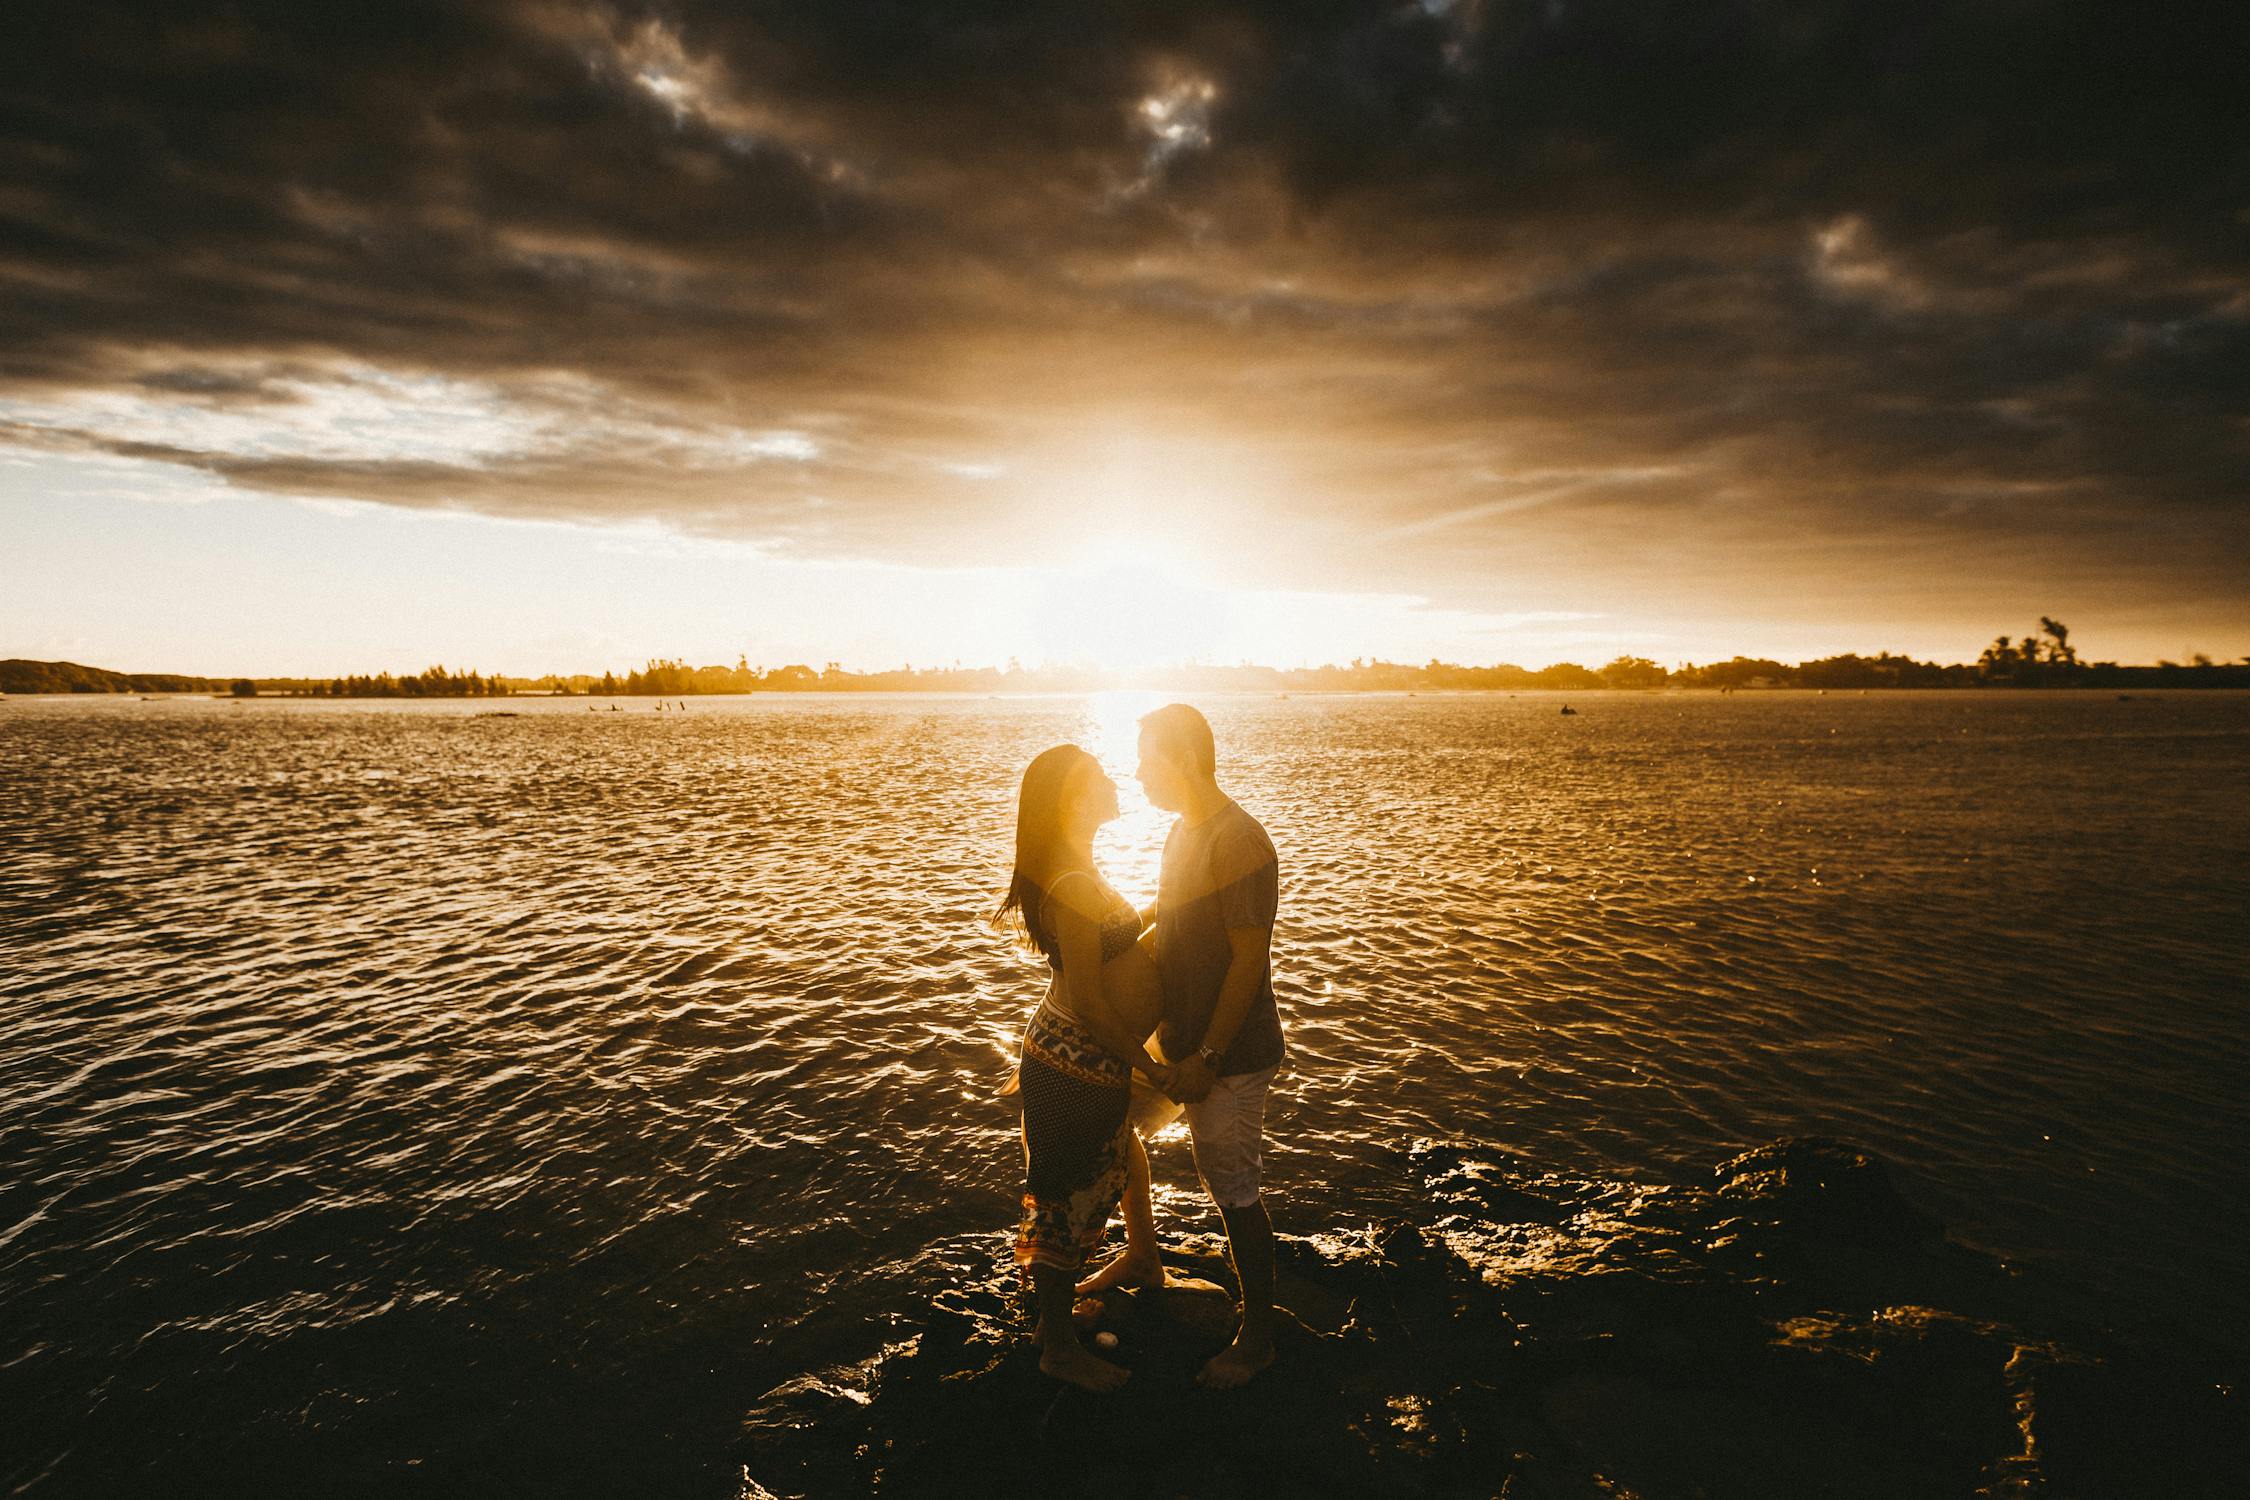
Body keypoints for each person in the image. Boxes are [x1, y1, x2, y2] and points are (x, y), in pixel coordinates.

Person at [1080, 703, 1284, 1389]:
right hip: (1178, 1044)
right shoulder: (1179, 834)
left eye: (1147, 759)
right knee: (1108, 1117)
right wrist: (1085, 962)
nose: (1137, 773)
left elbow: (1246, 962)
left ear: (1185, 758)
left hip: (1229, 1054)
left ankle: (1258, 1340)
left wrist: (1211, 1058)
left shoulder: (1238, 841)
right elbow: (1166, 929)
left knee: (1233, 1190)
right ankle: (1143, 1256)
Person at [996, 743, 1177, 1392]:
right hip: (1075, 1059)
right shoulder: (1071, 885)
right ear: (1073, 799)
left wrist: (1174, 908)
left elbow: (1114, 941)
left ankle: (1143, 1258)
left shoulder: (1079, 868)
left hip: (1082, 1057)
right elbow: (1097, 1006)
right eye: (1097, 775)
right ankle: (1058, 1347)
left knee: (1116, 1154)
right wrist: (1150, 1068)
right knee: (1064, 1193)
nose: (1113, 779)